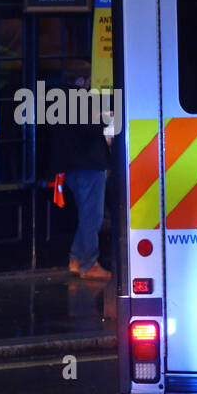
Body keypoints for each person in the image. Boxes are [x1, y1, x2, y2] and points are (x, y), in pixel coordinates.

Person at [49, 74, 113, 281]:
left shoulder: (56, 99)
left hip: (70, 167)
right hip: (88, 166)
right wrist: (107, 118)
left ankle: (76, 259)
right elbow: (90, 129)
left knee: (87, 215)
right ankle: (89, 264)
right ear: (82, 81)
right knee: (91, 218)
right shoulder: (79, 101)